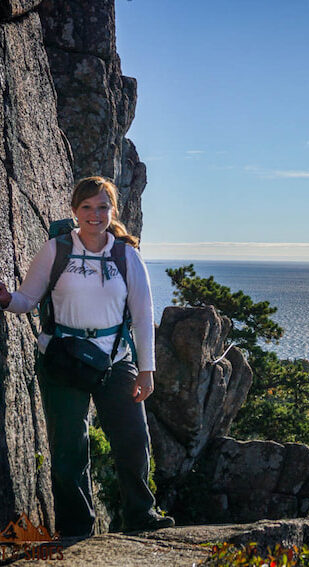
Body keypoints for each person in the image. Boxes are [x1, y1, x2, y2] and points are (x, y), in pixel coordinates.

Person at [0, 176, 174, 537]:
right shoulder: (56, 250)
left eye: (102, 207)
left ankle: (141, 515)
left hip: (116, 360)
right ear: (75, 211)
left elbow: (143, 315)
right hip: (64, 359)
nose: (95, 215)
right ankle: (76, 528)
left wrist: (147, 370)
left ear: (113, 211)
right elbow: (27, 299)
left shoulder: (126, 255)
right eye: (87, 207)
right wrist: (6, 299)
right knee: (68, 449)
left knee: (133, 439)